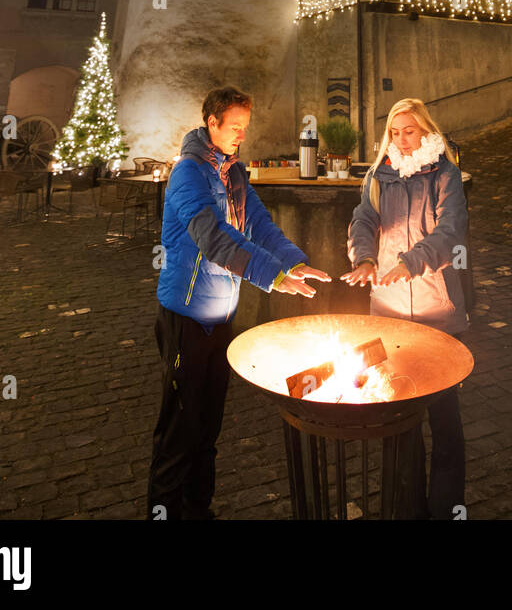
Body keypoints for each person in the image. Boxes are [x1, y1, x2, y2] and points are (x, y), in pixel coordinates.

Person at [147, 85, 330, 520]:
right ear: (211, 122)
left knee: (207, 430)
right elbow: (213, 238)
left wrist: (295, 264)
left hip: (220, 320)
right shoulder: (188, 173)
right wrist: (272, 277)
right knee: (178, 433)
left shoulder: (234, 174)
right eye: (233, 127)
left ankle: (198, 511)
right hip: (185, 319)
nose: (240, 135)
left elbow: (261, 227)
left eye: (245, 128)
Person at [342, 97, 470, 519]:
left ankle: (446, 508)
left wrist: (410, 263)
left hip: (437, 313)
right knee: (400, 420)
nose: (401, 139)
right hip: (390, 313)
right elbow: (363, 219)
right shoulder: (380, 175)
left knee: (444, 422)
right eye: (395, 133)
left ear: (427, 131)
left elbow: (452, 231)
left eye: (409, 131)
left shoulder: (444, 173)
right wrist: (364, 259)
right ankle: (407, 509)